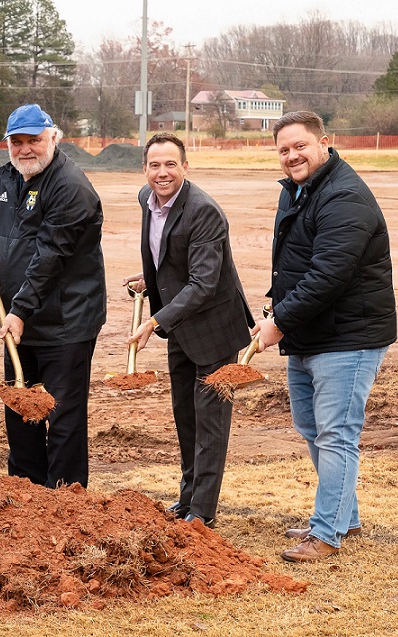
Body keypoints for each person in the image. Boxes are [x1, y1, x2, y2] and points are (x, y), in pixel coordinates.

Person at [252, 111, 395, 562]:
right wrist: (277, 300)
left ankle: (327, 531)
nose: (292, 155)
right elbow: (294, 260)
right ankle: (342, 516)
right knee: (312, 427)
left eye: (300, 146)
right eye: (284, 150)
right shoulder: (298, 190)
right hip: (312, 331)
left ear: (324, 143)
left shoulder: (344, 195)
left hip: (349, 337)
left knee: (336, 434)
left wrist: (280, 322)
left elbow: (329, 274)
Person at [0, 104, 106, 488]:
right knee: (20, 408)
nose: (26, 148)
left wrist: (19, 310)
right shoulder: (5, 177)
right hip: (20, 317)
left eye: (34, 140)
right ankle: (27, 494)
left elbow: (51, 256)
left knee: (61, 416)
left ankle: (64, 500)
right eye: (17, 141)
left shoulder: (71, 188)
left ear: (53, 137)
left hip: (65, 322)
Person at [125, 132, 254, 528]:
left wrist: (155, 320)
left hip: (213, 328)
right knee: (186, 416)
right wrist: (153, 281)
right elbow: (167, 256)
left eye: (170, 164)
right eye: (154, 165)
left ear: (185, 166)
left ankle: (203, 513)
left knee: (210, 422)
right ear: (144, 168)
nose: (162, 173)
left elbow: (204, 283)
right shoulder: (148, 201)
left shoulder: (204, 211)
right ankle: (187, 498)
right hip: (182, 327)